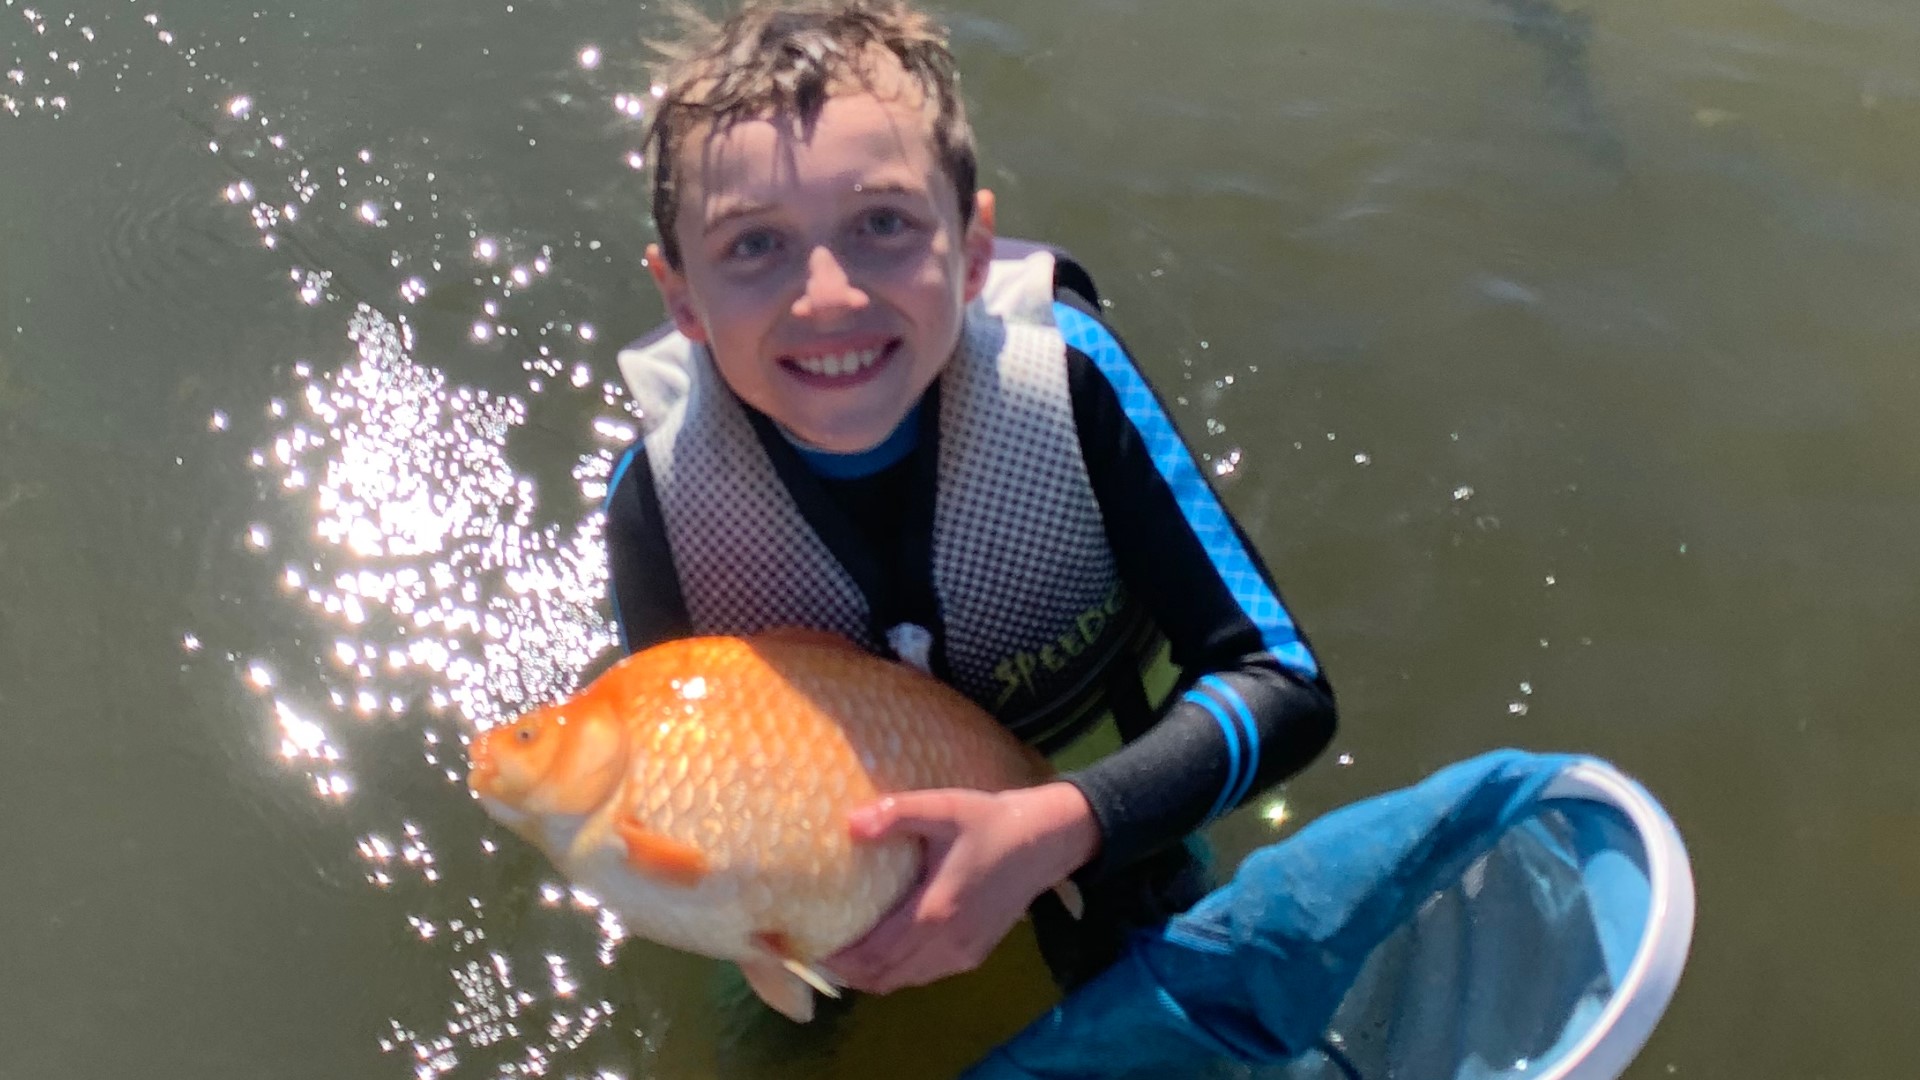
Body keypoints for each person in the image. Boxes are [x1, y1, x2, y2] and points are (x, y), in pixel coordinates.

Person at [603, 0, 1337, 1002]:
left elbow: (1283, 682)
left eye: (883, 224)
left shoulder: (1067, 382)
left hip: (1102, 811)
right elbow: (661, 780)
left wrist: (1064, 826)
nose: (828, 294)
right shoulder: (660, 504)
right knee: (775, 1040)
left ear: (974, 246)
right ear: (680, 295)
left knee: (1183, 1013)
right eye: (753, 245)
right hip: (826, 876)